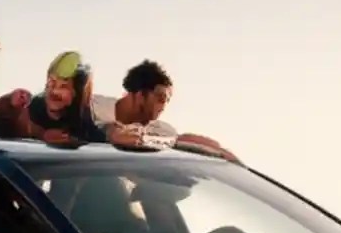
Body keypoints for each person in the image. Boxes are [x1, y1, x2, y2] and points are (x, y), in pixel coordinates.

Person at [90, 59, 239, 161]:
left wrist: (226, 155)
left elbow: (184, 141)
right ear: (141, 94)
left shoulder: (156, 130)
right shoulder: (91, 108)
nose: (163, 107)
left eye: (167, 101)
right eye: (160, 98)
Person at [20, 51, 139, 146]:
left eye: (64, 86)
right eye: (52, 82)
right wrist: (42, 134)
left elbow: (101, 131)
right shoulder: (33, 107)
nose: (54, 91)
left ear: (77, 92)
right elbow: (16, 123)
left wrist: (114, 134)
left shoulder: (82, 117)